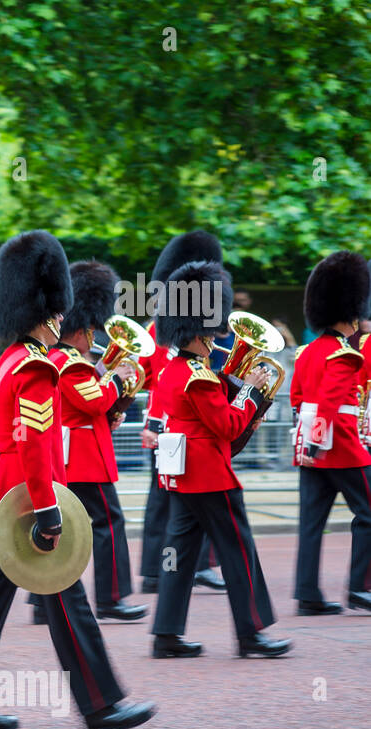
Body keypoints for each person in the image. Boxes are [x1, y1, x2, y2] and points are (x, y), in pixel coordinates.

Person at [0, 230, 155, 729]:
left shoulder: (7, 362)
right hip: (27, 500)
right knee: (67, 600)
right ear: (49, 311)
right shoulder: (38, 367)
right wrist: (47, 512)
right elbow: (36, 446)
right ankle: (101, 704)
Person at [149, 259, 291, 659]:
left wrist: (237, 388)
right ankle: (251, 633)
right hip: (209, 474)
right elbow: (227, 426)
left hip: (182, 475)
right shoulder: (198, 375)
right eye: (211, 330)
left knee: (178, 552)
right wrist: (251, 394)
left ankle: (166, 634)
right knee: (238, 549)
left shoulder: (178, 370)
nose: (217, 336)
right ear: (197, 331)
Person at [29, 260, 147, 621]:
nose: (95, 338)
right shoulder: (72, 362)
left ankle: (40, 602)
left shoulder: (60, 359)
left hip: (71, 455)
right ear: (81, 329)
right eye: (92, 331)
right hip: (83, 459)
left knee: (59, 526)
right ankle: (111, 599)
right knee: (108, 524)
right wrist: (116, 379)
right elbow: (92, 399)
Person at [138, 231, 224, 594]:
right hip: (166, 424)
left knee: (190, 499)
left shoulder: (188, 330)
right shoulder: (159, 331)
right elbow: (149, 377)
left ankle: (195, 565)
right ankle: (156, 571)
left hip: (182, 421)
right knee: (164, 500)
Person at [290, 251, 371, 614]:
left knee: (311, 524)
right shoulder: (344, 355)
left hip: (311, 449)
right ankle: (360, 589)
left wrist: (306, 442)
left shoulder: (308, 352)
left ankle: (307, 595)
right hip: (339, 448)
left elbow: (297, 399)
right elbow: (328, 404)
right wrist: (317, 441)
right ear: (350, 314)